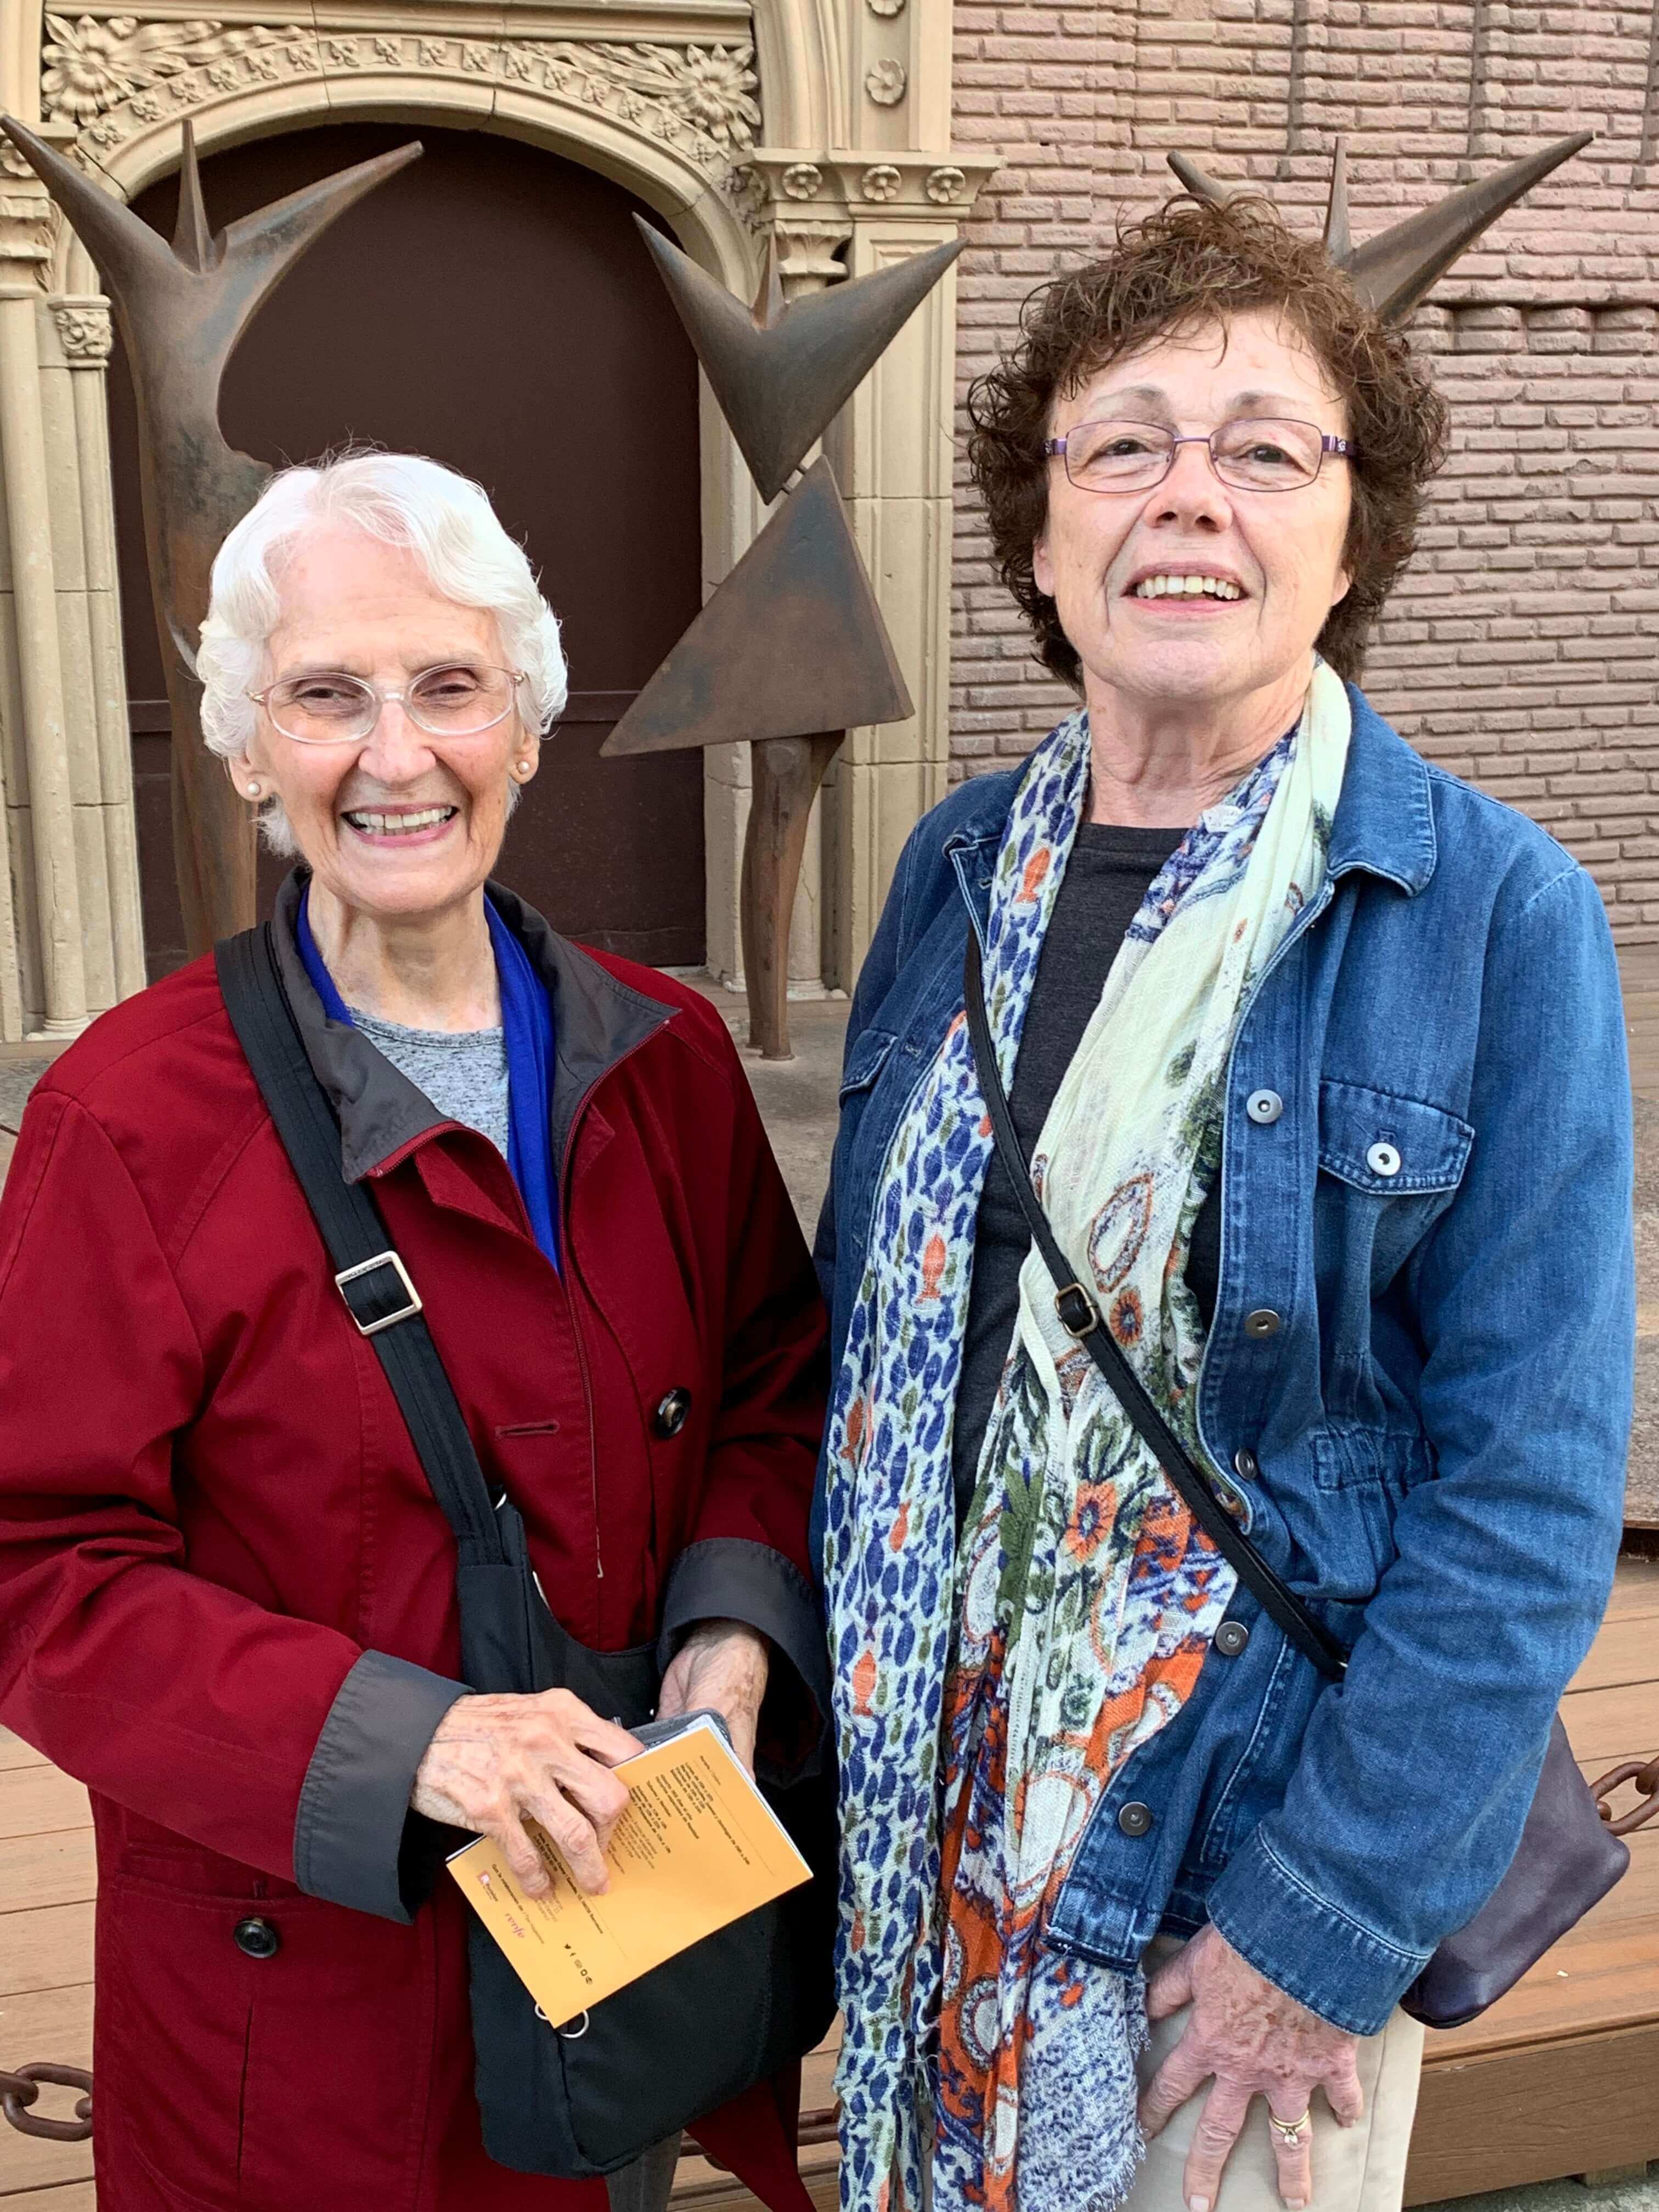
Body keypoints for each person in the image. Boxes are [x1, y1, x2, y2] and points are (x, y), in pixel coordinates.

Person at [813, 195, 1633, 2212]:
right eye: (1128, 441)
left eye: (1267, 448)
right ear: (1041, 534)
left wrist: (1316, 1933)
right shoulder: (951, 869)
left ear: (1350, 542)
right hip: (926, 1844)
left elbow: (1526, 1491)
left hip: (1230, 1888)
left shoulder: (1490, 913)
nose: (1193, 492)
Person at [0, 452, 829, 2212]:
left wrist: (730, 1640)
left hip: (615, 1953)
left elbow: (774, 1380)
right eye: (324, 696)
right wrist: (408, 1741)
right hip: (298, 2030)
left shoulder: (665, 1060)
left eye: (450, 687)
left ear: (526, 724)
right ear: (245, 748)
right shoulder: (128, 1121)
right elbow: (38, 1569)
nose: (395, 754)